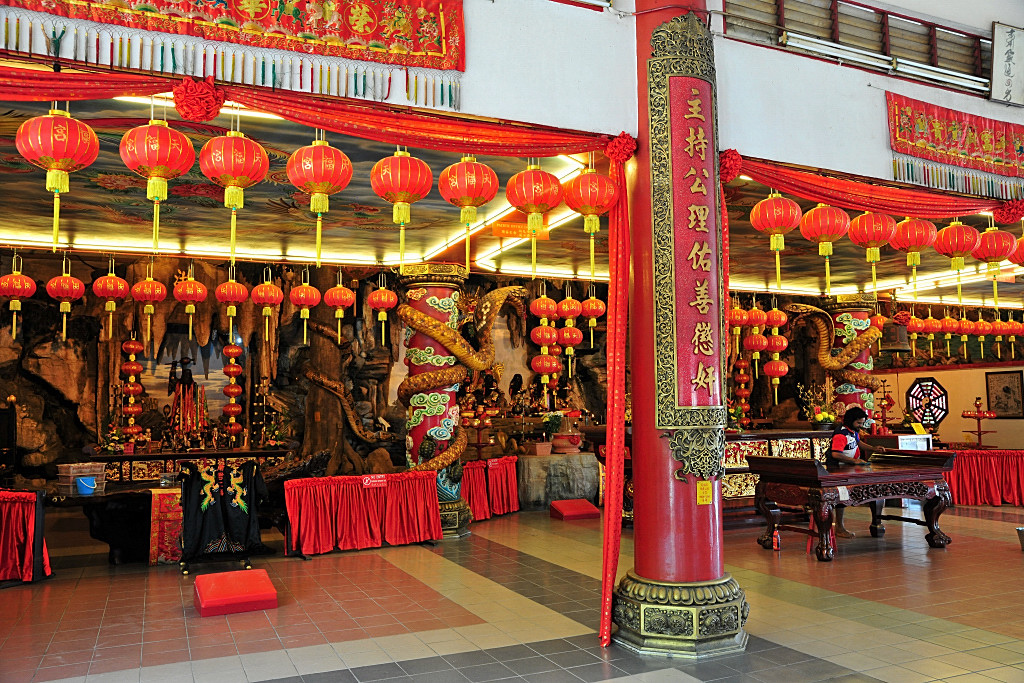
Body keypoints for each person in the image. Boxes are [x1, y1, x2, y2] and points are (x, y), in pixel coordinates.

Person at [828, 406, 886, 538]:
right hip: (839, 469)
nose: (861, 425)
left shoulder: (852, 431)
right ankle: (839, 527)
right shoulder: (841, 434)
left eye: (862, 423)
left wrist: (873, 448)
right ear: (850, 420)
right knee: (842, 497)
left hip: (848, 468)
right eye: (858, 423)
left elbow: (858, 443)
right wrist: (854, 461)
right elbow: (836, 454)